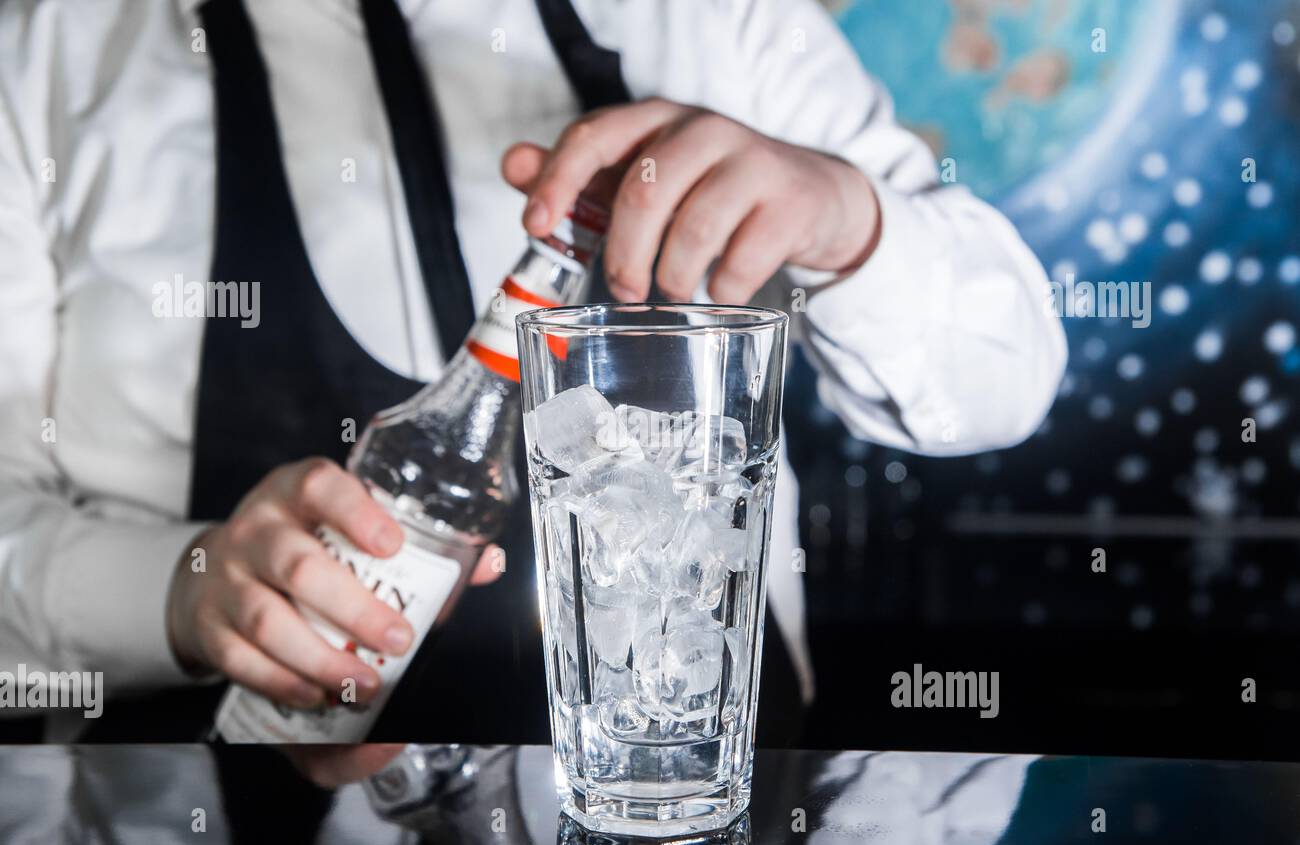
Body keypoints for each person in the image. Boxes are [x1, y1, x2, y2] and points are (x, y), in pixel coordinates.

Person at [0, 0, 1065, 744]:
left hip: (700, 824)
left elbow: (1009, 376)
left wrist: (842, 217)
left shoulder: (716, 17)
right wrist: (186, 590)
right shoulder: (46, 51)